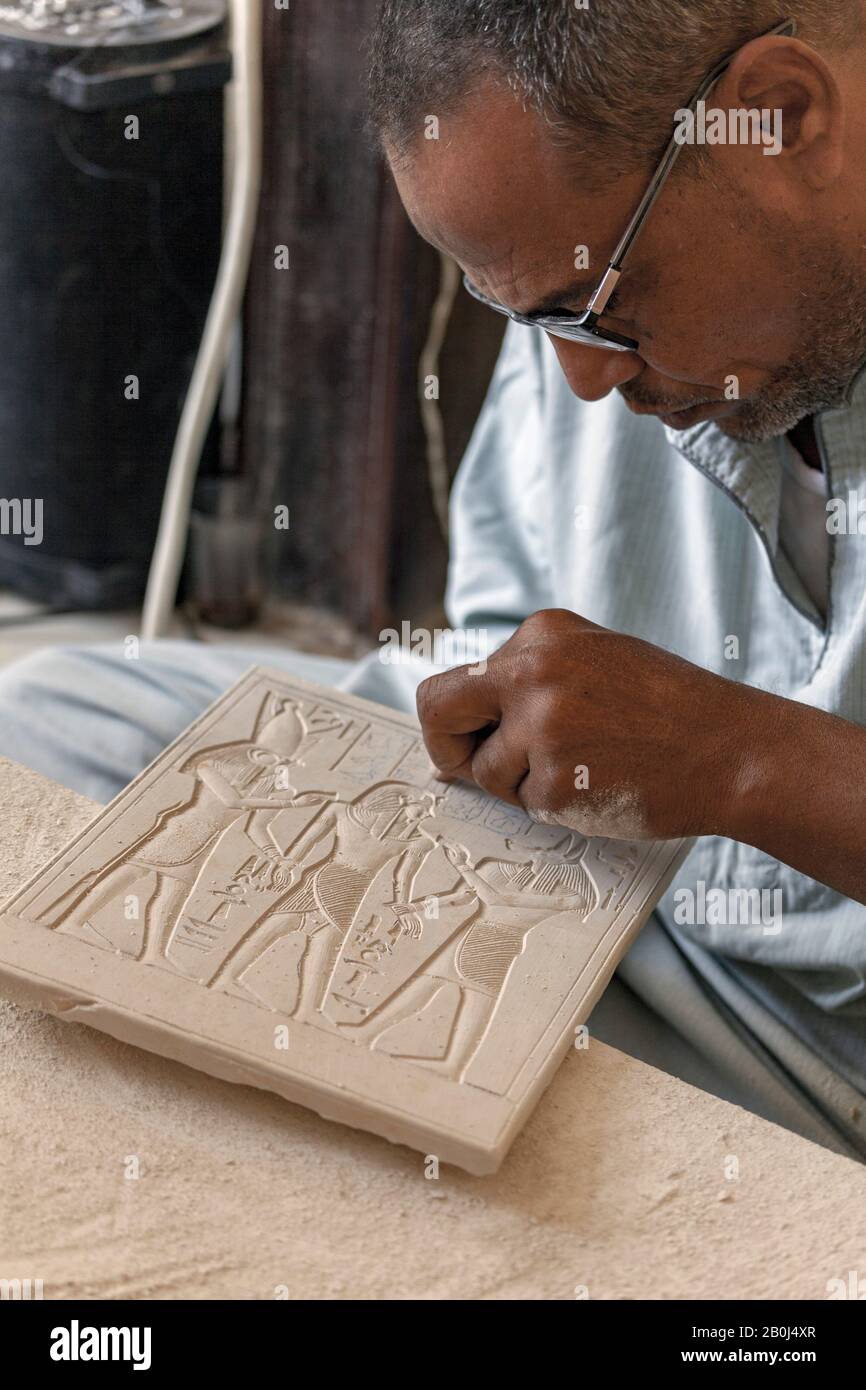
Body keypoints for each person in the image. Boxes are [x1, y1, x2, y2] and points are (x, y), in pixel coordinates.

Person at [3, 0, 866, 1159]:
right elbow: (503, 636)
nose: (578, 379)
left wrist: (745, 759)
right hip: (623, 893)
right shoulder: (590, 263)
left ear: (777, 118)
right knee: (47, 724)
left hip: (824, 1035)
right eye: (518, 314)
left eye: (592, 305)